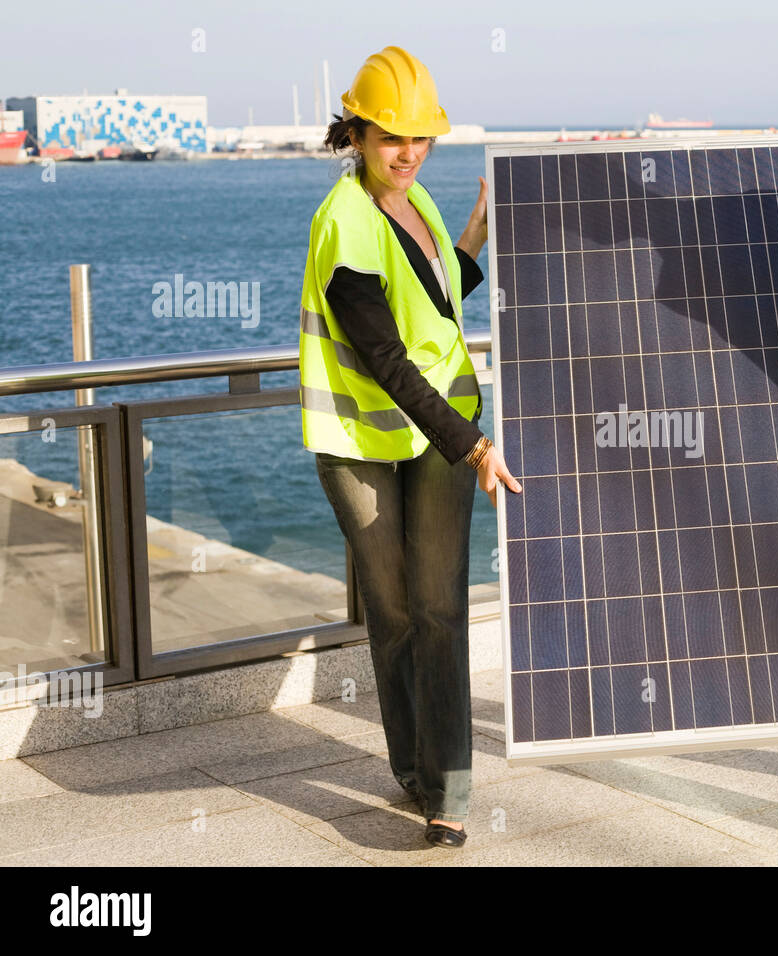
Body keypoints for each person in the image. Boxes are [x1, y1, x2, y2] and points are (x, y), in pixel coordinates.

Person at [298, 45, 520, 848]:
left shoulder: (417, 202)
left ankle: (447, 790)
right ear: (355, 133)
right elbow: (384, 354)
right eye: (392, 137)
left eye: (421, 138)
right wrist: (474, 445)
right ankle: (413, 765)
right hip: (364, 436)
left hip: (442, 430)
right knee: (391, 612)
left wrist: (475, 235)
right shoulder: (342, 222)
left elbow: (431, 296)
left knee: (439, 607)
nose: (408, 153)